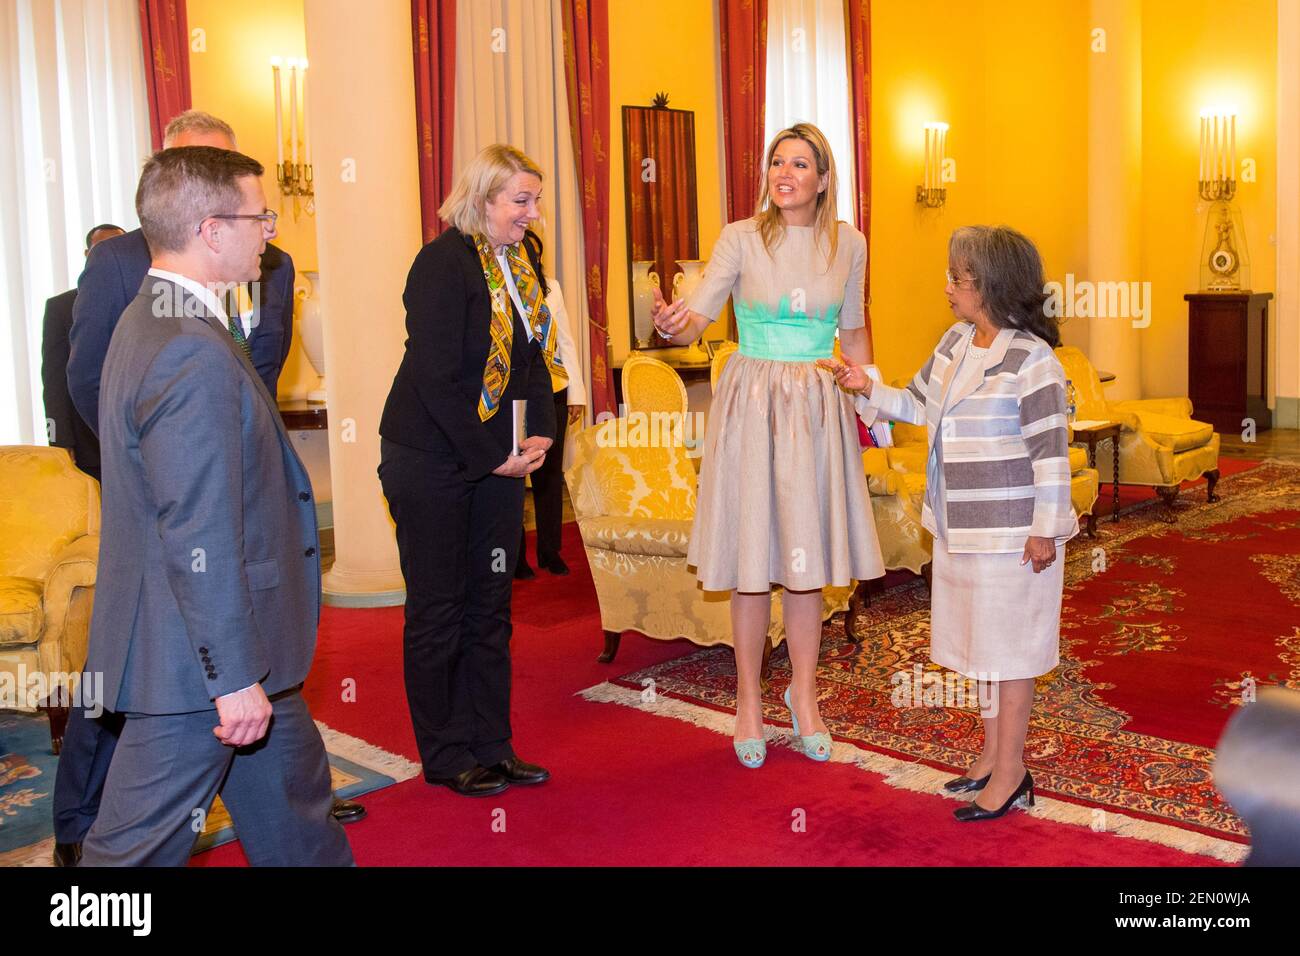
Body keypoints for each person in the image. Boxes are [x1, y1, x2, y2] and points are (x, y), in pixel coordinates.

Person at [52, 112, 360, 871]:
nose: (269, 233)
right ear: (212, 228)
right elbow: (196, 528)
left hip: (242, 651)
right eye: (261, 217)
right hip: (198, 665)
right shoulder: (186, 347)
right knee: (129, 857)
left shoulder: (152, 317)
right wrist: (230, 682)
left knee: (297, 818)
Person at [822, 225, 1078, 820]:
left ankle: (1012, 771)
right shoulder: (955, 343)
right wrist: (865, 386)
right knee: (985, 651)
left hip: (1015, 536)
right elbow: (917, 404)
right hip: (960, 527)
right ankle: (992, 755)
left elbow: (1051, 452)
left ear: (988, 285)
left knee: (1012, 653)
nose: (948, 288)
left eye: (958, 279)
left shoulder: (1031, 359)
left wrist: (1046, 529)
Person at [651, 123, 885, 769]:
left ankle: (804, 696)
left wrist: (872, 406)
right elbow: (695, 319)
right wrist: (671, 322)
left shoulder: (850, 244)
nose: (785, 173)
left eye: (800, 163)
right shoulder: (740, 237)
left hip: (818, 403)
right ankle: (748, 700)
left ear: (823, 178)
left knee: (805, 567)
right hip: (752, 403)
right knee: (754, 560)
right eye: (777, 162)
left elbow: (856, 331)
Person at [378, 144, 560, 797]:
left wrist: (538, 432)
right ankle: (447, 753)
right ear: (482, 201)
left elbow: (536, 357)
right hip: (430, 457)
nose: (532, 214)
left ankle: (493, 744)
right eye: (521, 200)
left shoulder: (523, 260)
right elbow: (434, 379)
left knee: (489, 607)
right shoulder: (441, 264)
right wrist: (492, 457)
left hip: (497, 460)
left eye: (534, 200)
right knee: (440, 608)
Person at [67, 110, 297, 433]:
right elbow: (89, 379)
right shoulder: (115, 262)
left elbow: (264, 372)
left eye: (224, 166)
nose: (213, 180)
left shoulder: (274, 266)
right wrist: (141, 455)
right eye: (198, 167)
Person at [514, 231, 586, 579]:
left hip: (554, 386)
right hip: (512, 392)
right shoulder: (499, 285)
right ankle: (513, 557)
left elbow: (566, 341)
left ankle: (549, 550)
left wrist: (577, 393)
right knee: (513, 474)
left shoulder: (552, 288)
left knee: (548, 473)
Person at [41, 223, 124, 483]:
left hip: (137, 435)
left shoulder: (144, 301)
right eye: (101, 250)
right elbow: (54, 380)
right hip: (88, 443)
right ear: (88, 255)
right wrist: (60, 442)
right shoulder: (61, 307)